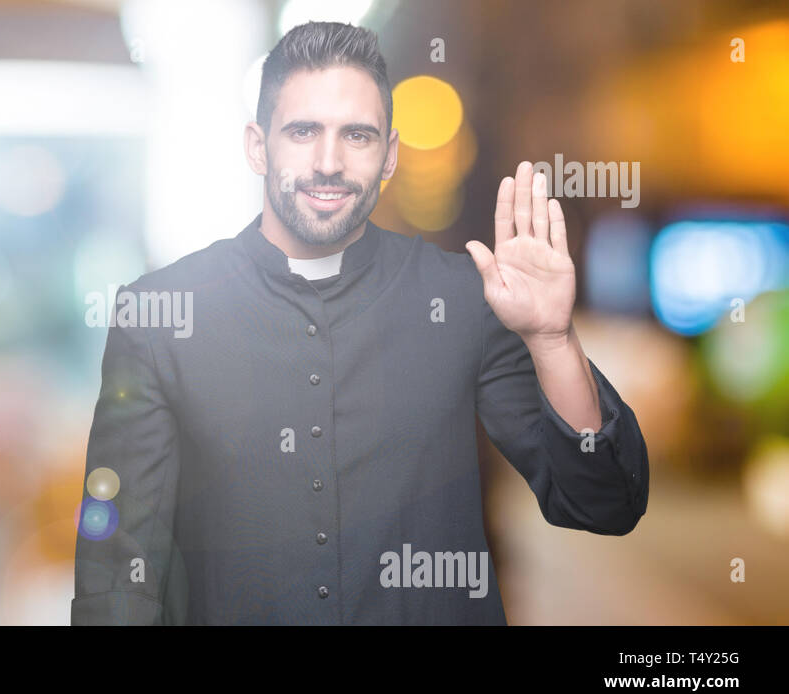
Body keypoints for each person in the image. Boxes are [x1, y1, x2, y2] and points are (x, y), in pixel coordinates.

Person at [71, 21, 648, 625]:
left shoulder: (464, 299)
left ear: (390, 154)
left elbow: (603, 503)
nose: (329, 162)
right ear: (257, 146)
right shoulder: (161, 315)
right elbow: (118, 570)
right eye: (302, 131)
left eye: (357, 135)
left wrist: (552, 339)